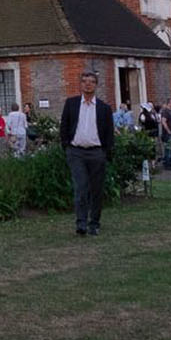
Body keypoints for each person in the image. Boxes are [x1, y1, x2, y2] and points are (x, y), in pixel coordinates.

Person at [59, 71, 114, 237]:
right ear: (80, 85)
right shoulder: (72, 104)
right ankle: (81, 223)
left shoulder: (104, 108)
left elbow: (109, 133)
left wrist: (106, 153)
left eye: (91, 82)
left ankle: (94, 223)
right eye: (84, 81)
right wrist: (67, 146)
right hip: (76, 152)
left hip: (96, 152)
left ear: (96, 85)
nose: (88, 84)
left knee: (96, 189)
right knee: (81, 187)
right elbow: (64, 126)